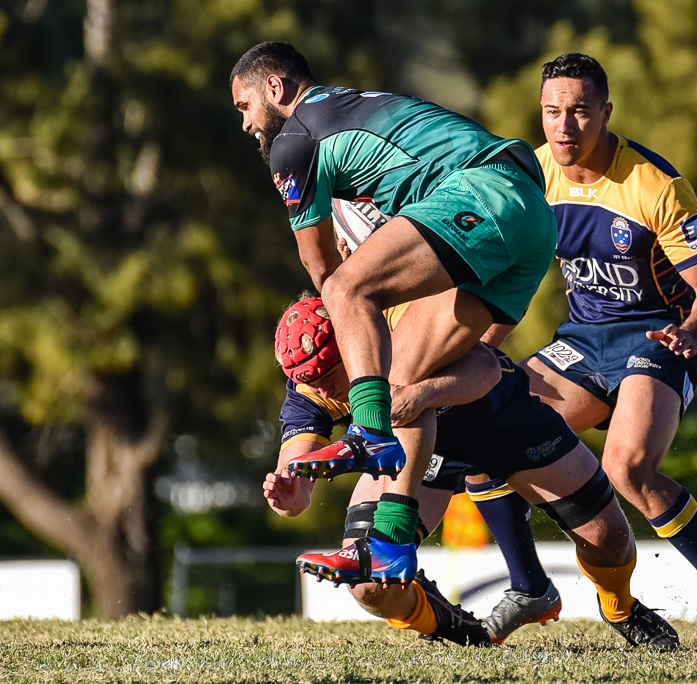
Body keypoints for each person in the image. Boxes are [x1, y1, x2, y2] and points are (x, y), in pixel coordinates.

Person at [231, 41, 557, 587]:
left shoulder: (294, 138)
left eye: (243, 106)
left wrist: (352, 370)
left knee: (344, 290)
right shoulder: (340, 109)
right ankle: (390, 548)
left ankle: (369, 432)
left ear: (275, 87)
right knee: (409, 380)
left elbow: (323, 273)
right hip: (530, 222)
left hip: (486, 191)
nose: (244, 125)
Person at [511, 52, 697, 649]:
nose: (565, 126)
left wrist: (693, 333)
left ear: (606, 111)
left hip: (657, 335)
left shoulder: (655, 183)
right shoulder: (532, 174)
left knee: (627, 467)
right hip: (582, 339)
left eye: (579, 111)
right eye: (552, 112)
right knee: (488, 431)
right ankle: (541, 588)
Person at [265, 295, 680, 650]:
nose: (320, 389)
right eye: (308, 381)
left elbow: (486, 368)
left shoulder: (401, 323)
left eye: (326, 375)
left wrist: (422, 393)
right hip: (422, 452)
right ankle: (452, 627)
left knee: (609, 539)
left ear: (351, 343)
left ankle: (620, 608)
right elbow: (297, 487)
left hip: (498, 417)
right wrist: (289, 493)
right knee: (369, 585)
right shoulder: (310, 390)